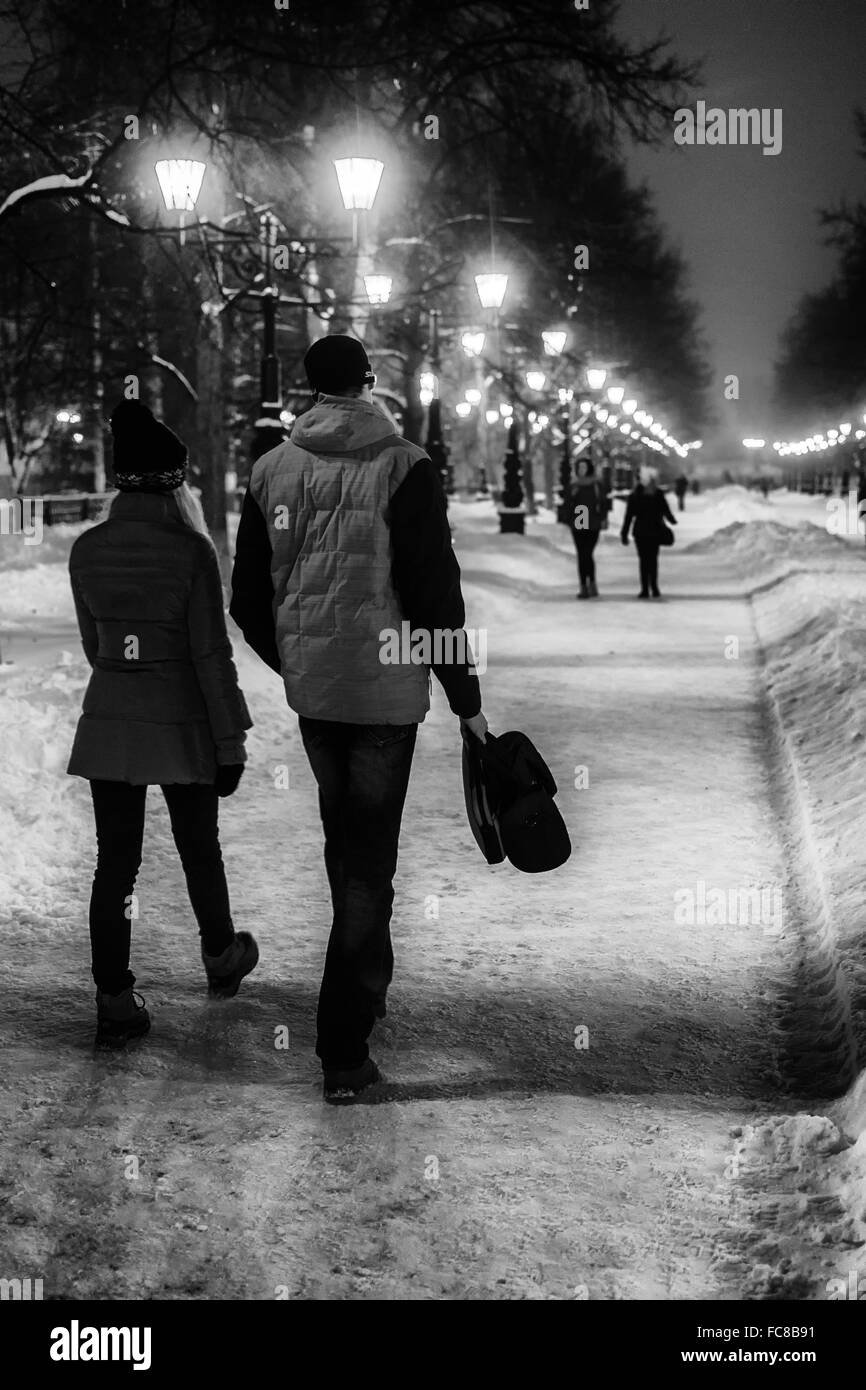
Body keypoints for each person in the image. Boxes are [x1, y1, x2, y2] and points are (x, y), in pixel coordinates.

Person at [230, 334, 487, 1102]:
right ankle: (343, 1046)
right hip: (384, 700)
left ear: (308, 388)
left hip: (320, 701)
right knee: (370, 864)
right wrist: (465, 699)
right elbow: (433, 592)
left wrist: (302, 664)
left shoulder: (270, 471)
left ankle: (365, 986)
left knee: (346, 846)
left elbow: (246, 599)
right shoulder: (406, 466)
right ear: (371, 382)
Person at [68, 401, 257, 1049]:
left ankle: (114, 997)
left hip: (111, 726)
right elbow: (211, 656)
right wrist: (230, 741)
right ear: (175, 485)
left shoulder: (87, 551)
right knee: (198, 845)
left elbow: (98, 649)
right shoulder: (192, 551)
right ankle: (220, 953)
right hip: (183, 724)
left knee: (115, 867)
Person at [620, 466, 677, 598]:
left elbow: (629, 516)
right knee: (652, 560)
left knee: (644, 560)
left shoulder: (635, 495)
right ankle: (653, 587)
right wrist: (672, 520)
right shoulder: (656, 494)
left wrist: (624, 533)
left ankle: (645, 588)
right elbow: (665, 509)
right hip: (654, 531)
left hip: (641, 532)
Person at [569, 457, 609, 598]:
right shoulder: (574, 485)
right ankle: (584, 586)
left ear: (589, 468)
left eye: (584, 467)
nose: (582, 470)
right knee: (581, 554)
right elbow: (568, 504)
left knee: (587, 553)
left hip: (592, 521)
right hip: (580, 519)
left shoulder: (596, 484)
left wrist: (603, 518)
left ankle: (591, 582)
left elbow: (603, 503)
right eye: (579, 467)